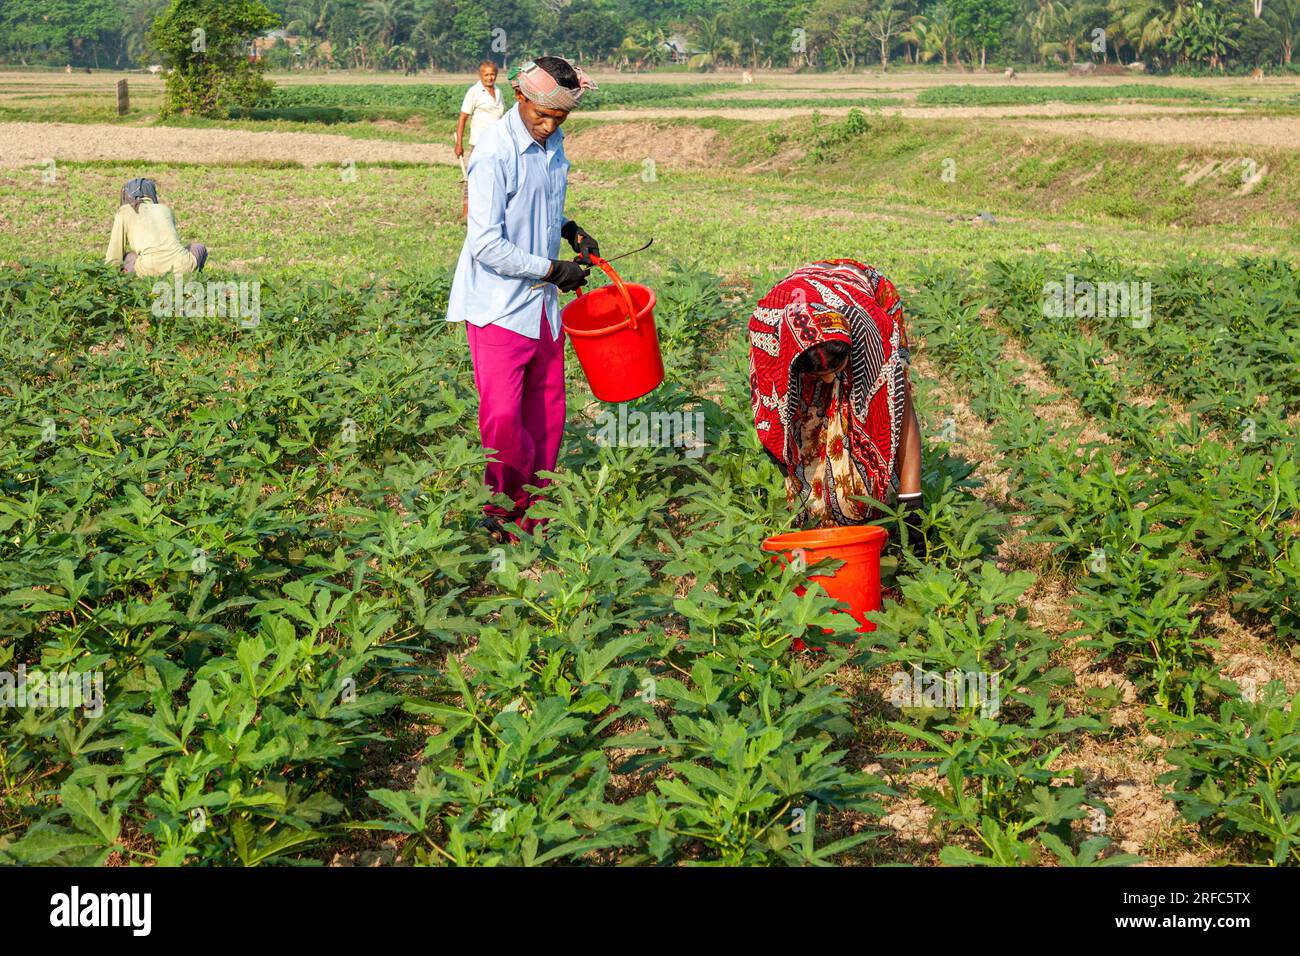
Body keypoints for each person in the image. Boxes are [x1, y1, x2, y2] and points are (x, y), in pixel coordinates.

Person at [446, 56, 602, 543]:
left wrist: (570, 230)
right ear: (522, 98)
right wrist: (552, 269)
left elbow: (539, 205)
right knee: (504, 418)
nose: (550, 123)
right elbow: (486, 244)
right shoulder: (494, 151)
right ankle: (502, 508)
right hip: (499, 307)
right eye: (542, 113)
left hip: (541, 310)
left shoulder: (553, 145)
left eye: (560, 117)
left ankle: (536, 515)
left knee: (548, 415)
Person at [749, 259, 924, 544]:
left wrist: (912, 506)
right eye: (820, 373)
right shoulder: (769, 327)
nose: (829, 380)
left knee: (879, 409)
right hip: (797, 316)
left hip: (860, 304)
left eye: (836, 369)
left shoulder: (874, 332)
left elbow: (901, 414)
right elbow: (771, 404)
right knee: (806, 427)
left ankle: (875, 502)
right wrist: (789, 459)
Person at [104, 178, 207, 277]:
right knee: (199, 247)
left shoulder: (124, 211)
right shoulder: (165, 209)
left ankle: (130, 287)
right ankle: (195, 282)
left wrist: (110, 277)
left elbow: (114, 253)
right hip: (182, 266)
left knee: (128, 257)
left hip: (148, 269)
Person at [455, 61, 506, 221]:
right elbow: (463, 118)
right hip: (479, 143)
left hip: (497, 143)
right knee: (473, 177)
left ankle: (491, 212)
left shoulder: (498, 92)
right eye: (486, 75)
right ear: (480, 75)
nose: (490, 78)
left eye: (492, 74)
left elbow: (502, 118)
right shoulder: (474, 92)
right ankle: (466, 212)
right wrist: (459, 144)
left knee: (496, 177)